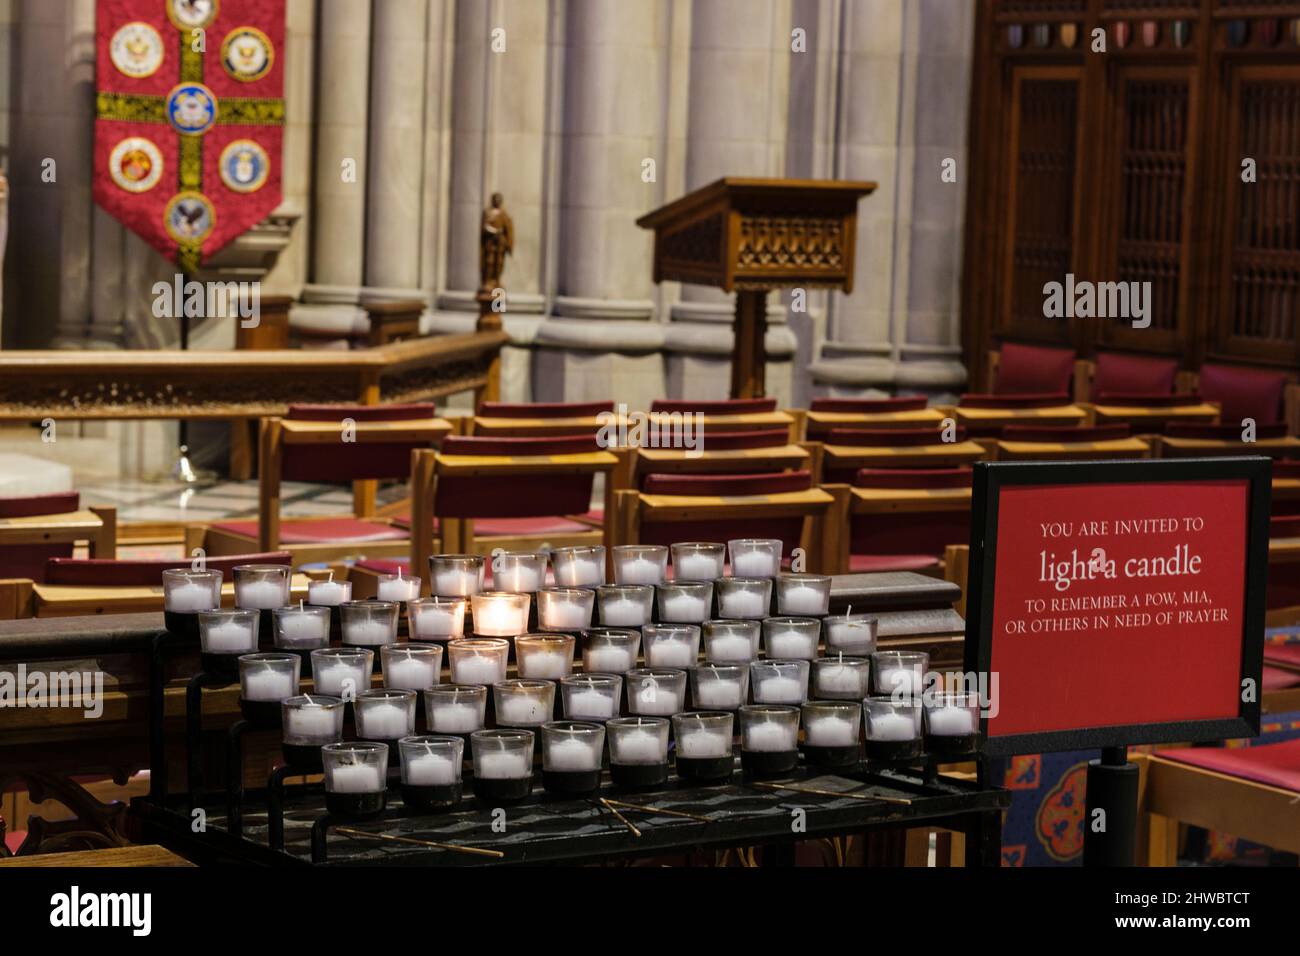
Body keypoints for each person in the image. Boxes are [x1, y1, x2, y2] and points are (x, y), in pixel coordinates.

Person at [479, 192, 513, 293]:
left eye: (499, 199)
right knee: (490, 262)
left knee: (499, 263)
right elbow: (484, 227)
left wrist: (508, 242)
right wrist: (494, 231)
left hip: (500, 243)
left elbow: (508, 228)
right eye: (495, 199)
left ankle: (497, 281)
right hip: (490, 243)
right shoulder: (488, 212)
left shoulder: (504, 214)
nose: (497, 201)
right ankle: (488, 281)